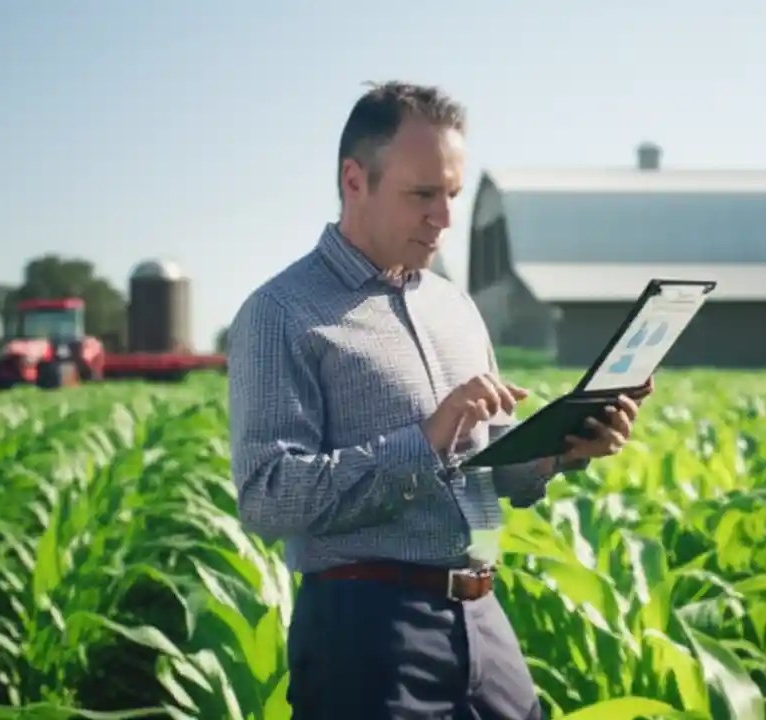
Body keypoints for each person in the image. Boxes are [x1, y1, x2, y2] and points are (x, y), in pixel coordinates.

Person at [227, 80, 651, 720]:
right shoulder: (280, 313)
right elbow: (267, 495)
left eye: (451, 194)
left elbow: (487, 465)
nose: (445, 218)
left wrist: (560, 451)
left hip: (483, 616)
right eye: (422, 194)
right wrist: (422, 442)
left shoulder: (454, 307)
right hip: (365, 634)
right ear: (354, 180)